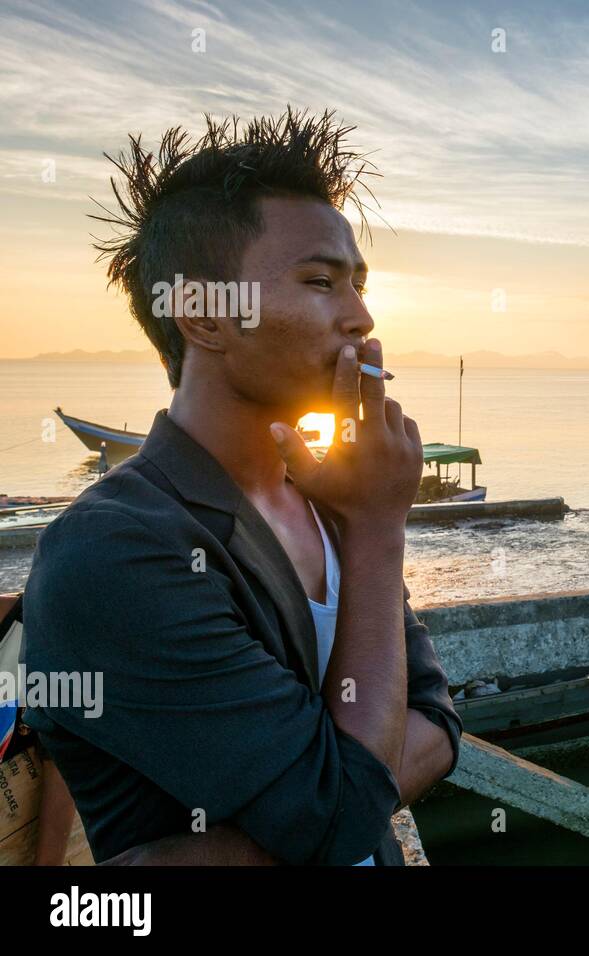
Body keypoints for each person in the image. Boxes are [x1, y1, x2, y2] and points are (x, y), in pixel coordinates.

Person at [20, 109, 462, 866]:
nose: (361, 317)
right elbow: (340, 815)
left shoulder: (330, 499)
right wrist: (384, 527)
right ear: (202, 315)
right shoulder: (117, 551)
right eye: (321, 281)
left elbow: (437, 720)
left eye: (359, 284)